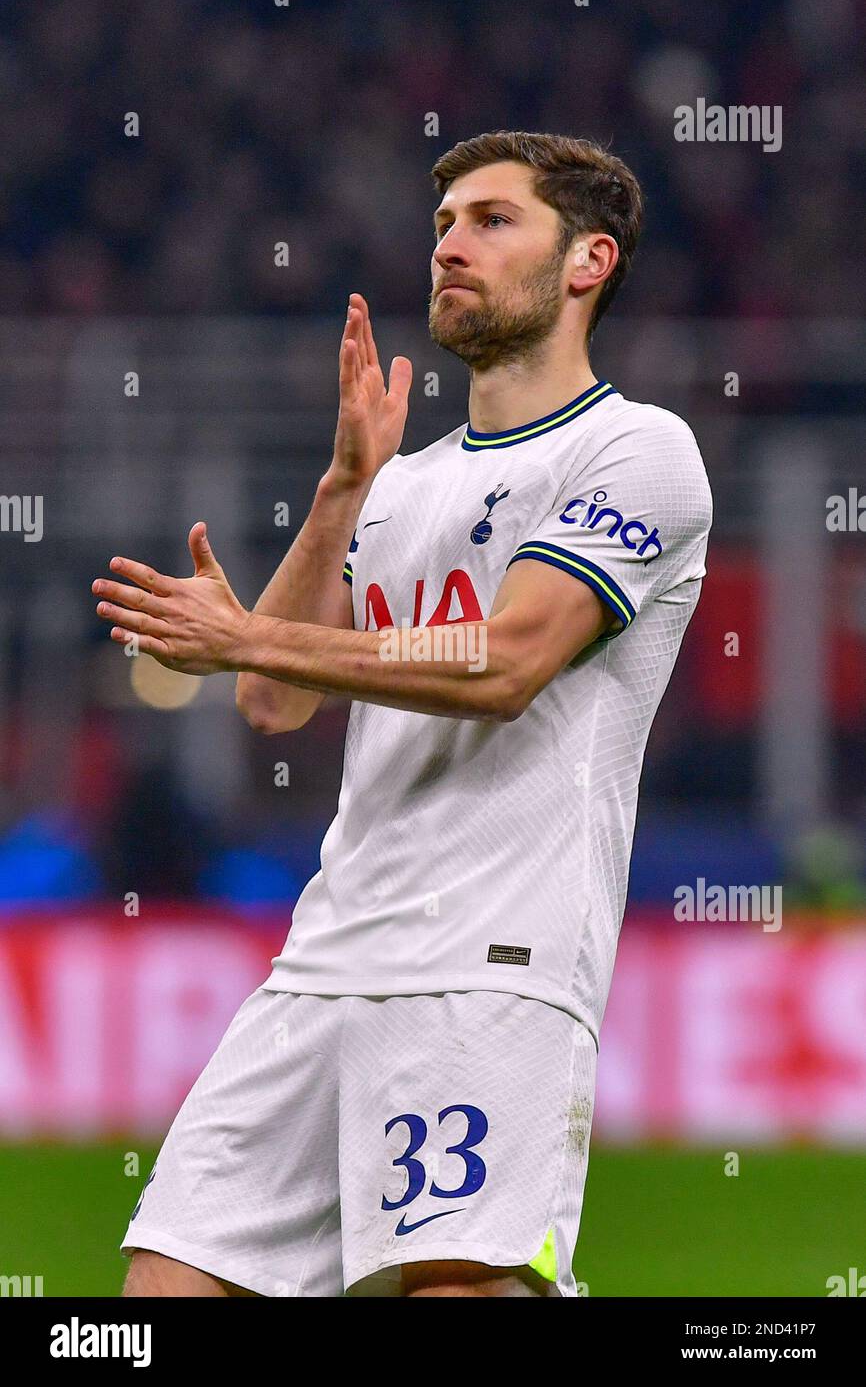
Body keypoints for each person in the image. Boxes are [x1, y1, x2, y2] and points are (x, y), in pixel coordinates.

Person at [96, 131, 712, 1297]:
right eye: (441, 227)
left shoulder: (638, 450)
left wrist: (244, 634)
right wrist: (341, 489)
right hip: (324, 956)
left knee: (455, 1292)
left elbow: (508, 659)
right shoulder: (404, 483)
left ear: (587, 261)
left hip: (492, 959)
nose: (449, 248)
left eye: (490, 221)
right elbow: (273, 699)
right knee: (161, 1293)